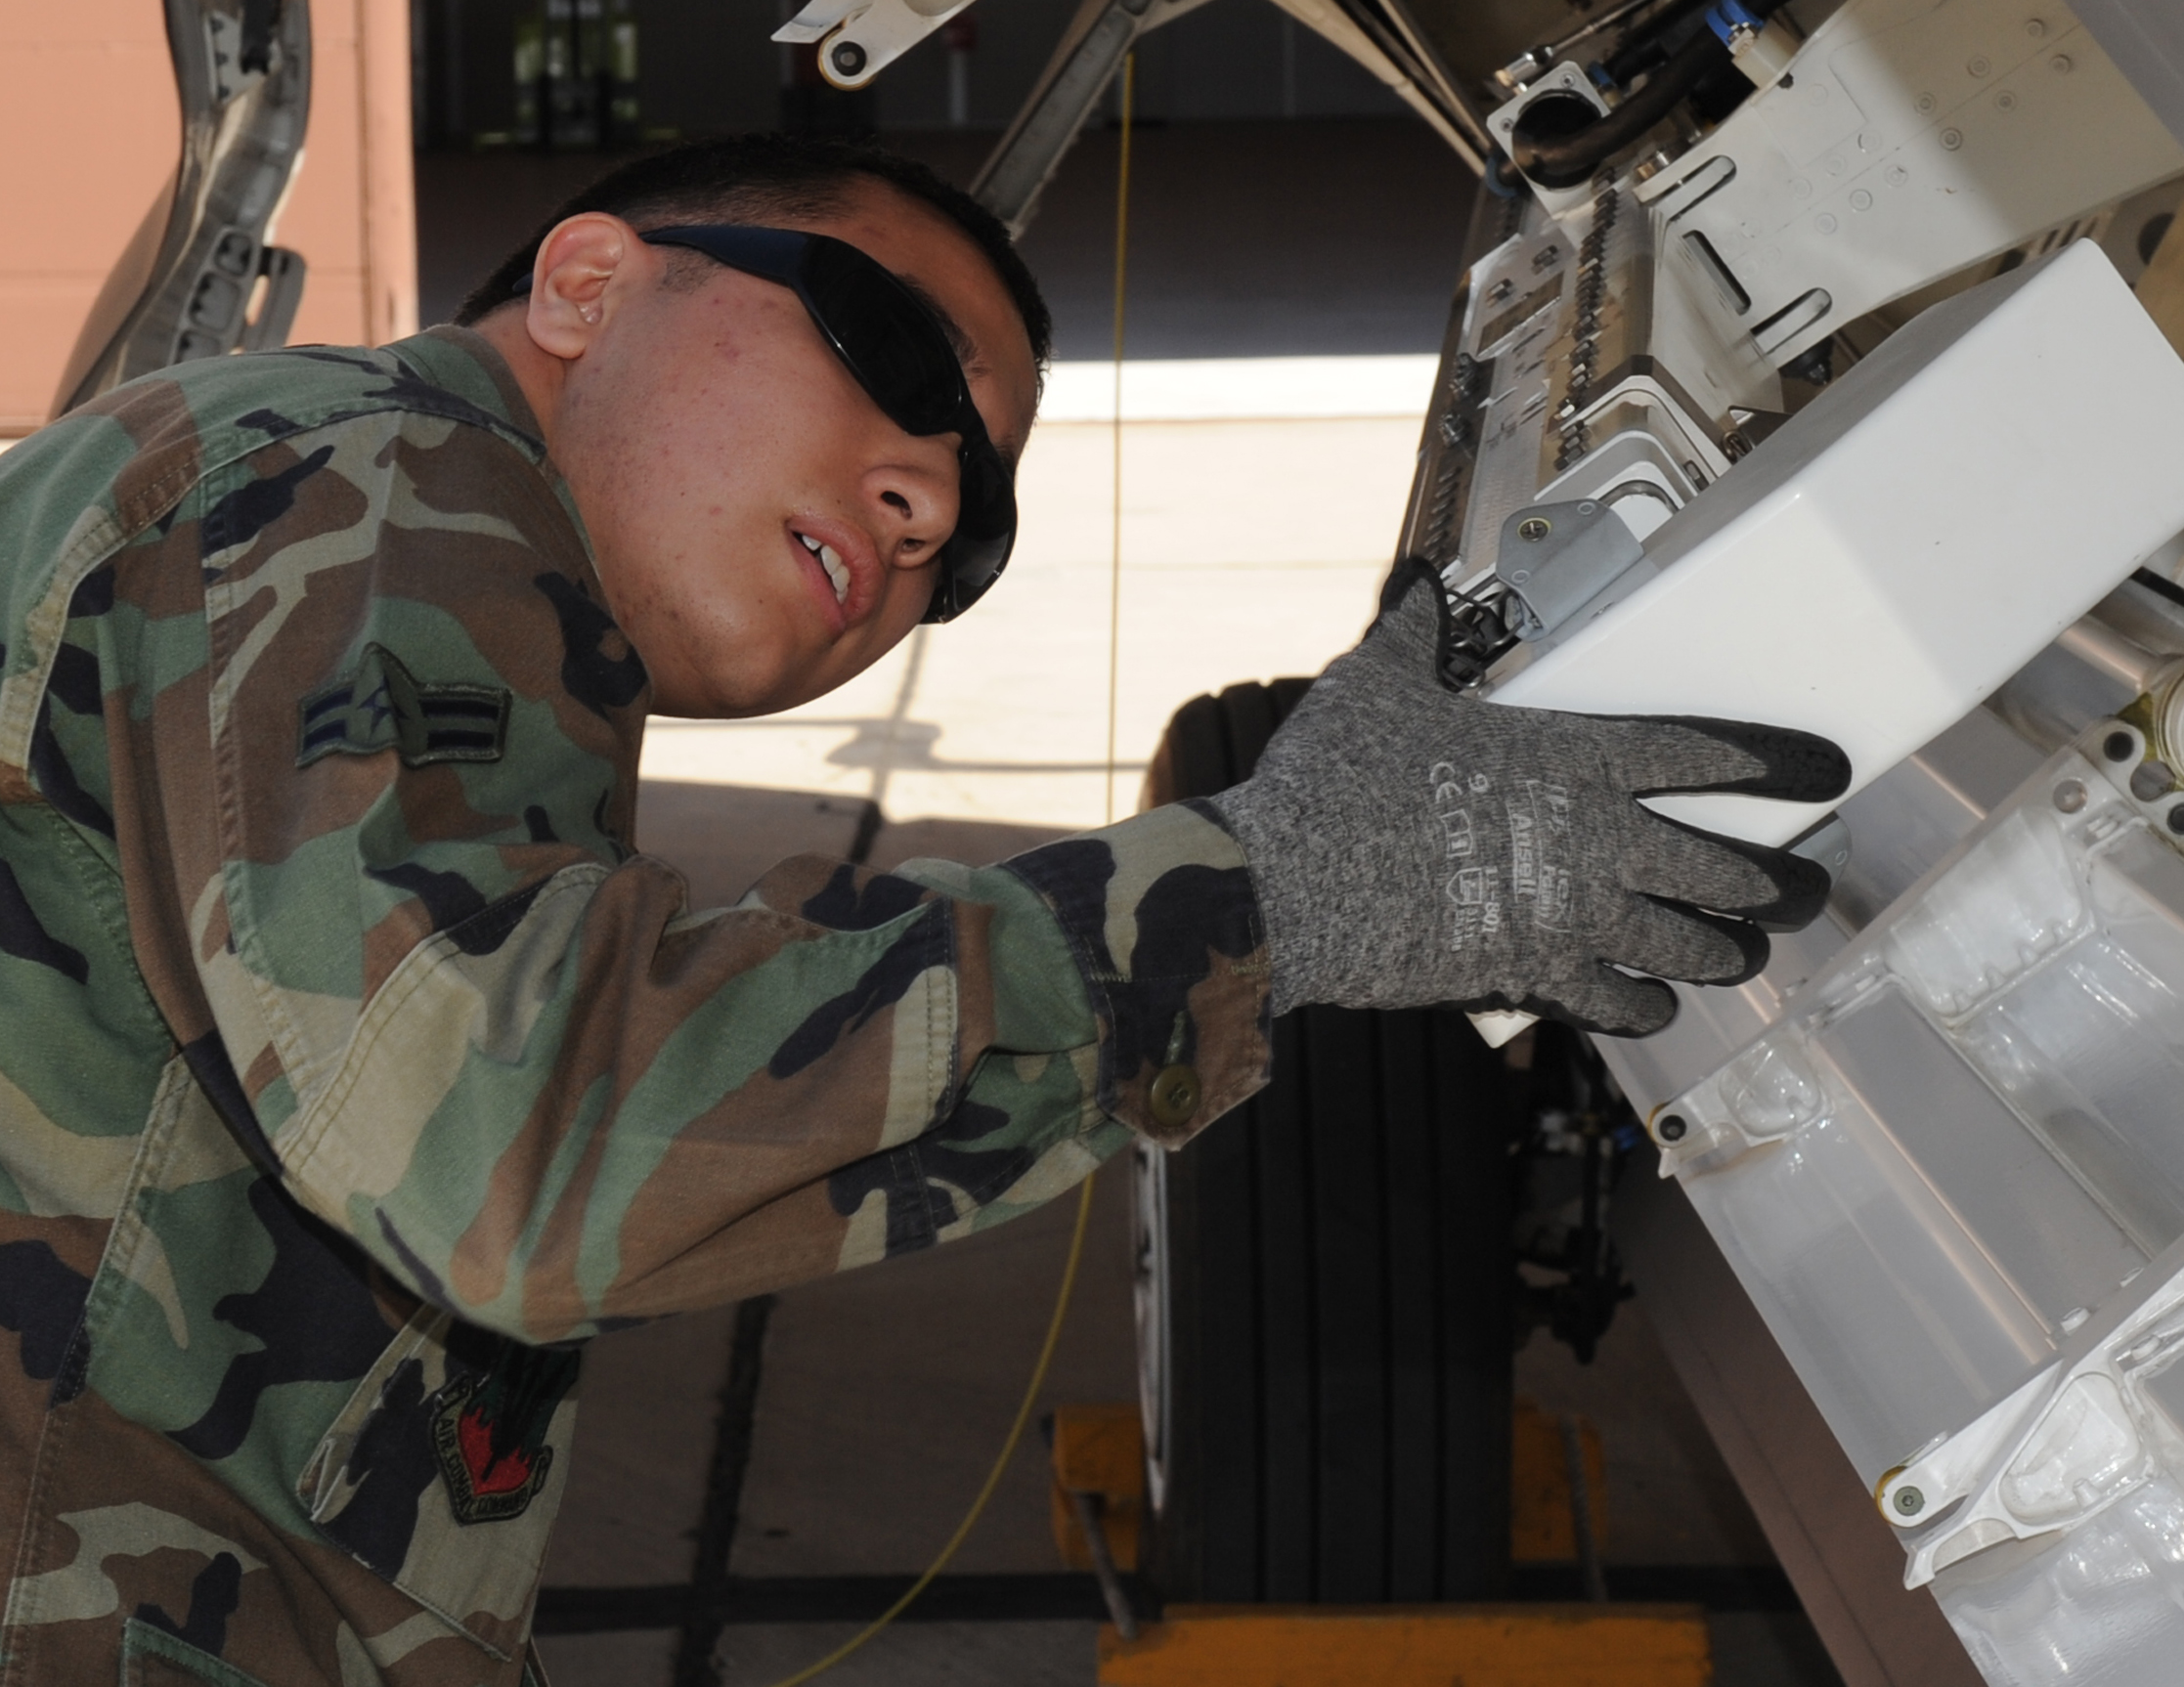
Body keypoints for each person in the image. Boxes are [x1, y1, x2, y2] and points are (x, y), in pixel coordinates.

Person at [0, 133, 1844, 1685]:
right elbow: (513, 1146)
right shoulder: (368, 480)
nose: (924, 496)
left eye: (971, 537)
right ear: (587, 283)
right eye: (891, 356)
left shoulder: (358, 555)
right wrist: (1263, 891)